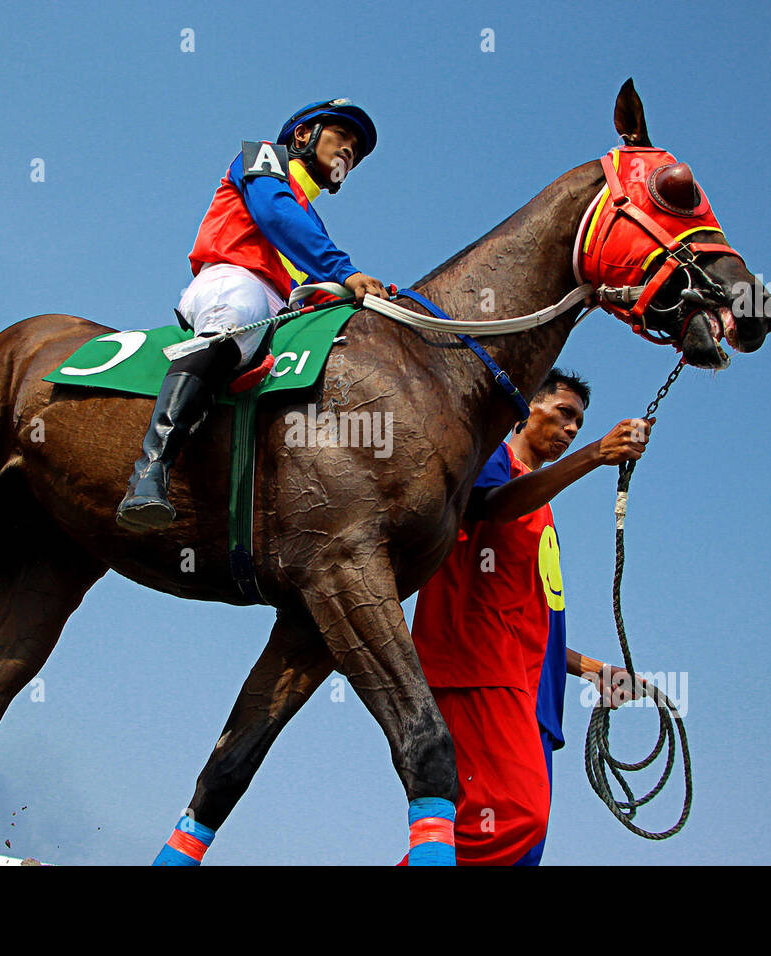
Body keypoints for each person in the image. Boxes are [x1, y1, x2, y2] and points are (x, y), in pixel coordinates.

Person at [405, 368, 652, 865]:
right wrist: (594, 455)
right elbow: (487, 507)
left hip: (531, 693)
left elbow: (526, 625)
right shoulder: (491, 458)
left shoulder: (541, 510)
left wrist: (594, 670)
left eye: (580, 425)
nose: (572, 429)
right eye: (564, 414)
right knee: (513, 820)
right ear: (525, 409)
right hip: (477, 672)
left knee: (523, 848)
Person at [116, 98, 391, 530]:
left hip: (283, 307)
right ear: (303, 135)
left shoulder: (313, 219)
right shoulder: (262, 158)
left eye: (356, 151)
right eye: (343, 137)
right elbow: (276, 216)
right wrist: (346, 273)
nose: (348, 153)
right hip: (232, 279)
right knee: (236, 319)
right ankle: (151, 470)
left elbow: (311, 287)